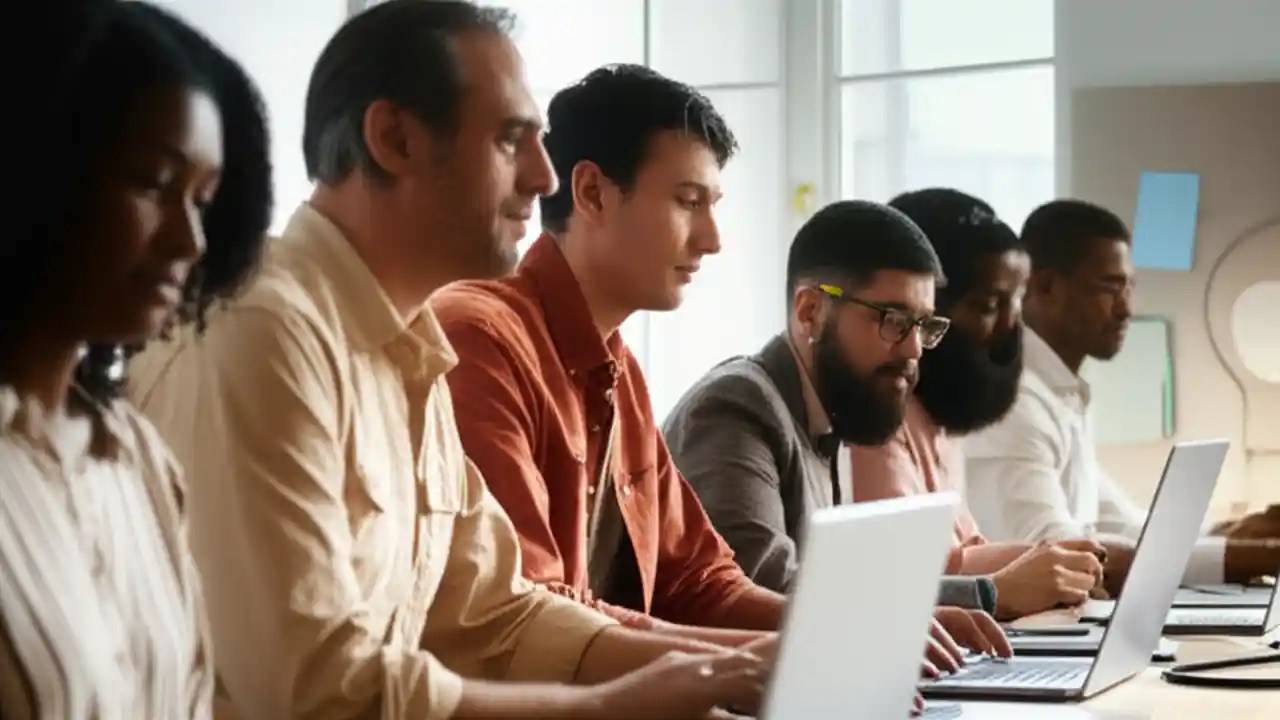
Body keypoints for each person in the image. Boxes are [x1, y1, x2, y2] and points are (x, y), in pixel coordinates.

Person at [127, 3, 768, 718]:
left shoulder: (411, 347)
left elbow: (497, 611)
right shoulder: (269, 332)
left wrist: (729, 668)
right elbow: (316, 687)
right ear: (395, 140)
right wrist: (612, 706)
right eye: (510, 140)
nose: (544, 178)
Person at [433, 65, 783, 648]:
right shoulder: (479, 340)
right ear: (593, 192)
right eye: (688, 201)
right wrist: (753, 657)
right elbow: (528, 608)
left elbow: (699, 582)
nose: (712, 239)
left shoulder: (620, 372)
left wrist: (847, 632)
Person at [1, 1, 271, 716]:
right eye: (153, 183)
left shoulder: (138, 458)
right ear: (37, 168)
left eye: (203, 201)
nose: (191, 241)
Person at [660, 200, 1012, 654]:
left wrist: (973, 601)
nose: (913, 350)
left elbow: (828, 588)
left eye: (923, 326)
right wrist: (984, 596)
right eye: (893, 320)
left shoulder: (830, 412)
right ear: (810, 311)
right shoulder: (736, 408)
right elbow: (762, 591)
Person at [965, 199, 1280, 590]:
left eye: (1129, 287)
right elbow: (1060, 552)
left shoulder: (1061, 395)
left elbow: (1125, 525)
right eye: (1109, 288)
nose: (1126, 308)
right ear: (1046, 287)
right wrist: (1257, 556)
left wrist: (1231, 535)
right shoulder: (1014, 404)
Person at [849, 189, 1105, 619]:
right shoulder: (878, 420)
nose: (1010, 326)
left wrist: (1053, 559)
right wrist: (1002, 588)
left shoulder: (942, 416)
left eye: (1016, 301)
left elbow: (962, 552)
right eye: (988, 305)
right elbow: (903, 578)